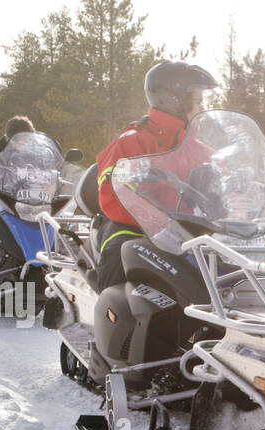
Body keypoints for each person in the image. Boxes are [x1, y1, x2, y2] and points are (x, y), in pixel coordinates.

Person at [93, 61, 217, 289]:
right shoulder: (132, 141)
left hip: (189, 233)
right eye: (197, 100)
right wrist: (149, 203)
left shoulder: (201, 151)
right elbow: (111, 191)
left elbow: (222, 193)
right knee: (121, 252)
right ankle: (114, 315)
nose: (202, 107)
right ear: (173, 100)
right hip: (134, 228)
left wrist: (236, 190)